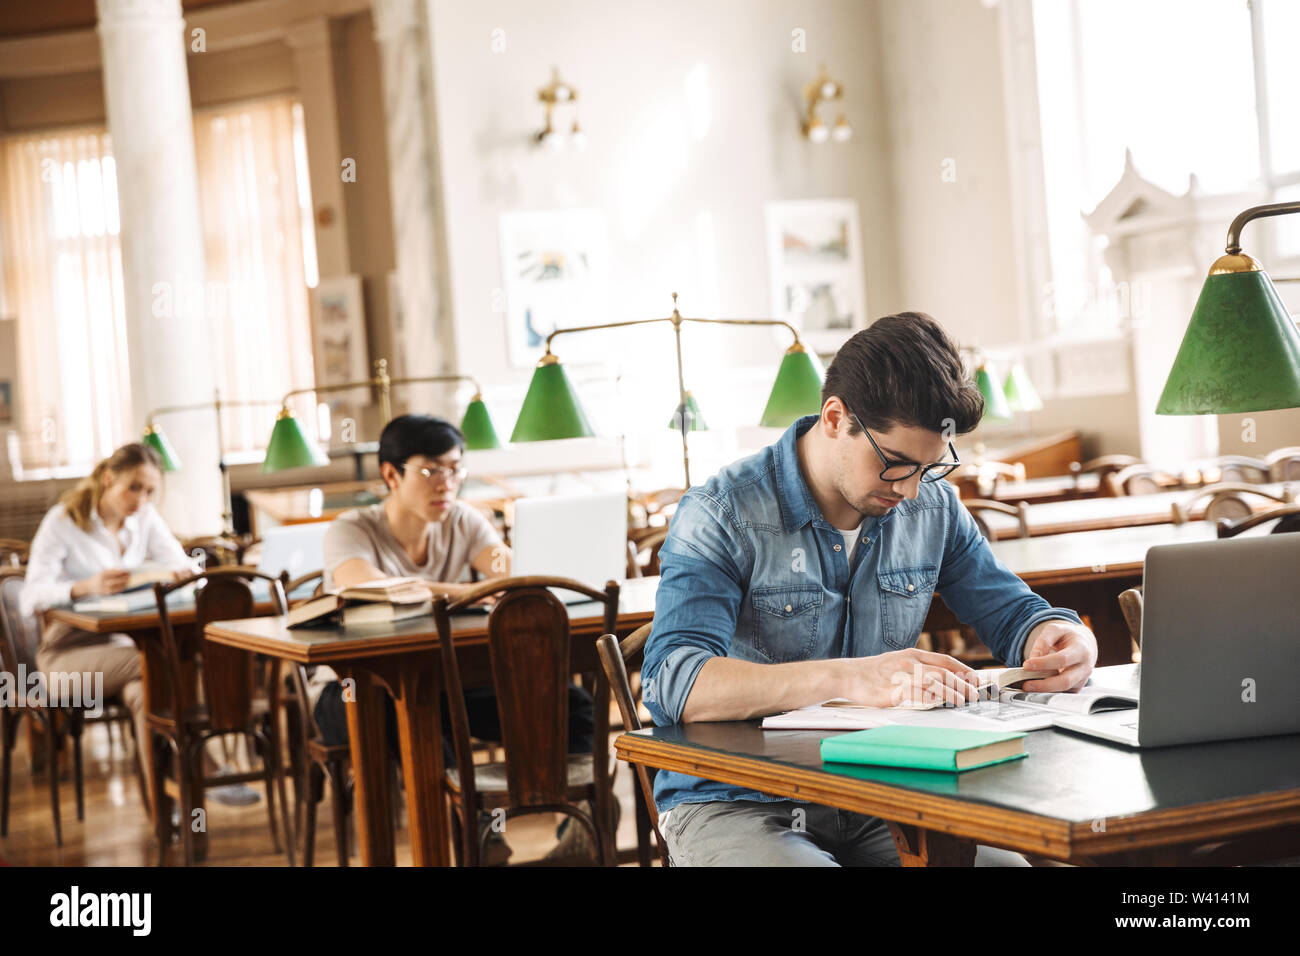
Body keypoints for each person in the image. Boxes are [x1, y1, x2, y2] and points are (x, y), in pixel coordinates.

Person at [641, 312, 1099, 867]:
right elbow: (675, 685)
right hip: (736, 801)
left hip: (886, 794)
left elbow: (1013, 613)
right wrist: (852, 678)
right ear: (835, 418)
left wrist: (1059, 635)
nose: (908, 490)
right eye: (895, 464)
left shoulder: (931, 507)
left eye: (929, 468)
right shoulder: (721, 512)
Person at [310, 414, 597, 861]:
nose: (447, 483)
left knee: (567, 701)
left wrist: (521, 570)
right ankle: (478, 836)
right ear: (391, 474)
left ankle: (577, 825)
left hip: (442, 686)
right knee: (411, 712)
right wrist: (468, 593)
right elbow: (363, 585)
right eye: (431, 470)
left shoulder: (464, 521)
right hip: (349, 692)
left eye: (455, 468)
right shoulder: (353, 529)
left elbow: (511, 572)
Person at [20, 442, 195, 804]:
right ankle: (201, 764)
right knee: (155, 664)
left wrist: (181, 572)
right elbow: (29, 596)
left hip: (119, 653)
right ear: (108, 477)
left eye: (149, 491)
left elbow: (189, 568)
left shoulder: (143, 517)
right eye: (134, 487)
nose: (141, 499)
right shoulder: (63, 521)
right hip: (62, 660)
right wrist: (85, 587)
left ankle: (167, 813)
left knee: (145, 692)